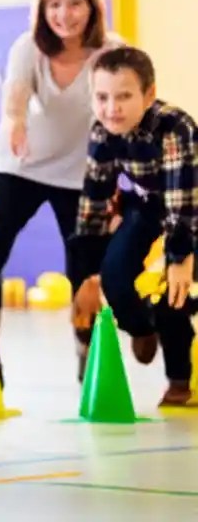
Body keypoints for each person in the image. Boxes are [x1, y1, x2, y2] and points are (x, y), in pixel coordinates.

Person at [0, 0, 123, 381]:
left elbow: (124, 112)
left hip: (80, 175)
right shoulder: (28, 47)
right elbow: (16, 94)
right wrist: (15, 121)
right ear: (42, 10)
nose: (65, 14)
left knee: (85, 267)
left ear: (92, 7)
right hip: (18, 166)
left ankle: (86, 352)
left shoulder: (110, 52)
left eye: (75, 3)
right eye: (54, 5)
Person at [68, 47, 197, 406]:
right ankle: (142, 328)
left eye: (124, 96)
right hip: (148, 206)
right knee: (114, 275)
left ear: (149, 94)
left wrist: (179, 256)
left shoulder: (175, 127)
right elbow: (93, 200)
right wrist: (86, 275)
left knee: (174, 291)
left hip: (189, 206)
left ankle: (179, 379)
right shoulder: (102, 132)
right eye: (102, 97)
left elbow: (181, 201)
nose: (112, 108)